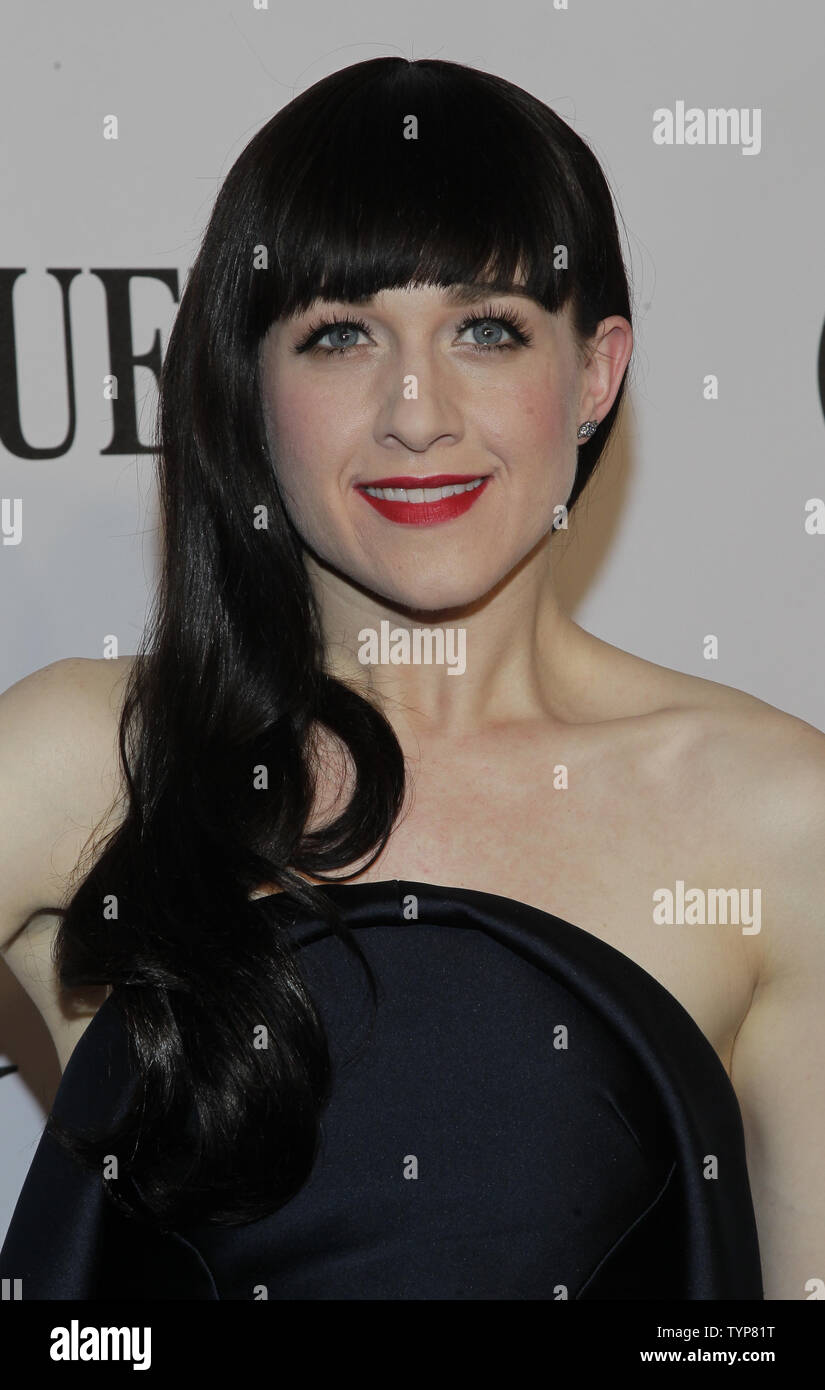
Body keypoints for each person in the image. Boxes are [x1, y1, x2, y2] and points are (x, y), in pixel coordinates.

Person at [1, 55, 823, 1302]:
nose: (416, 411)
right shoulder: (88, 759)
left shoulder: (776, 814)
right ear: (248, 382)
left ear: (596, 374)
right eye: (340, 335)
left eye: (487, 329)